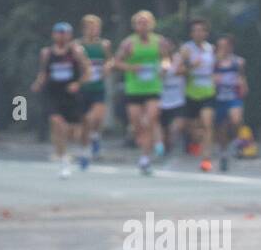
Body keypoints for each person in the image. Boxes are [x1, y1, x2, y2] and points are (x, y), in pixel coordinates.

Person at [111, 10, 172, 175]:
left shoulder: (159, 41)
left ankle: (145, 158)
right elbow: (116, 62)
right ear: (135, 26)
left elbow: (166, 58)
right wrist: (131, 67)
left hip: (153, 87)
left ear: (152, 24)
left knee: (150, 120)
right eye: (139, 22)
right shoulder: (129, 43)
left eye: (146, 22)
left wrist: (165, 66)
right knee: (138, 125)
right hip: (134, 88)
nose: (143, 25)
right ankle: (143, 144)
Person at [31, 22, 90, 178]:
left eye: (64, 33)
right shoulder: (47, 53)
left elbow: (87, 71)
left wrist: (78, 84)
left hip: (71, 94)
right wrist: (38, 84)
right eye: (58, 33)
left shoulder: (76, 51)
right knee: (58, 124)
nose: (61, 36)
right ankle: (64, 161)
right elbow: (44, 72)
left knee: (74, 133)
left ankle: (82, 150)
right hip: (53, 93)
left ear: (70, 35)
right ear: (53, 34)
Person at [179, 18, 217, 172]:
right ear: (191, 33)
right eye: (195, 30)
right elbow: (179, 70)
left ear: (206, 33)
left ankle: (206, 158)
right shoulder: (186, 49)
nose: (198, 33)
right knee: (193, 129)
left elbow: (216, 67)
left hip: (208, 92)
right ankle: (197, 143)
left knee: (207, 124)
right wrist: (191, 66)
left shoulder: (211, 49)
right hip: (191, 93)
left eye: (201, 30)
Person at [212, 34, 248, 171]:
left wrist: (243, 85)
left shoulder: (238, 62)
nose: (223, 49)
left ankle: (234, 141)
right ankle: (223, 152)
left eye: (226, 46)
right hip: (218, 97)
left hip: (233, 96)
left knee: (235, 120)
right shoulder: (213, 62)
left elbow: (242, 76)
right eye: (220, 46)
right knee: (220, 127)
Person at [78, 15, 110, 163]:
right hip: (83, 88)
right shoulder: (77, 46)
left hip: (98, 87)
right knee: (85, 121)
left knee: (96, 118)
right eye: (90, 27)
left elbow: (110, 60)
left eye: (96, 27)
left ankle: (95, 137)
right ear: (84, 29)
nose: (93, 30)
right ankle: (85, 150)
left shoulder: (104, 45)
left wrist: (108, 67)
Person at [157, 38, 187, 159]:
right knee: (164, 130)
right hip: (162, 100)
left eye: (167, 46)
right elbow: (159, 74)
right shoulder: (156, 60)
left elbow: (184, 70)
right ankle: (165, 149)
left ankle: (172, 143)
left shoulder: (179, 59)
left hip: (178, 100)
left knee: (177, 126)